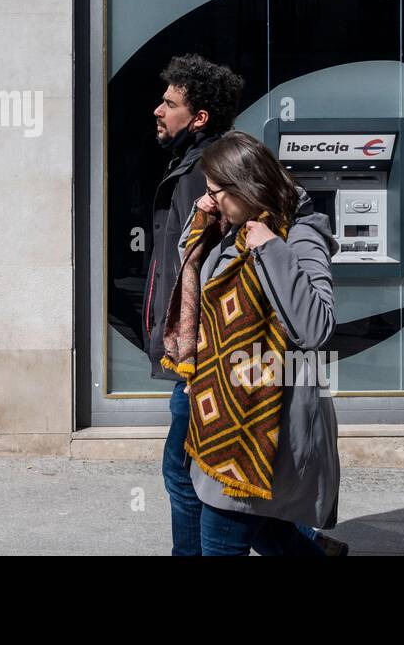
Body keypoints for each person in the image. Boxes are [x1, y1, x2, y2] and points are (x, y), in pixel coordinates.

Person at [162, 130, 343, 556]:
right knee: (268, 534)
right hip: (220, 410)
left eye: (215, 192)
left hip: (261, 423)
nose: (210, 201)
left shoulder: (298, 236)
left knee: (222, 539)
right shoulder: (234, 228)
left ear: (244, 186)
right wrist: (203, 220)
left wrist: (271, 250)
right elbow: (201, 294)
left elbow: (317, 326)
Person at [141, 54, 245, 554]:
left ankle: (302, 543)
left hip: (202, 352)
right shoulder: (194, 165)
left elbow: (211, 267)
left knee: (183, 473)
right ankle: (305, 542)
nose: (158, 110)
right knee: (204, 472)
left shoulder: (207, 174)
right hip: (197, 348)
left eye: (169, 103)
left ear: (198, 117)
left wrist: (193, 346)